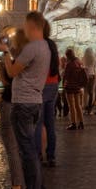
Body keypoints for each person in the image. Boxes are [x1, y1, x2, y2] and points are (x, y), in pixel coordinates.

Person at [4, 11, 51, 189]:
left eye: (25, 26)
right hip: (35, 102)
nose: (24, 29)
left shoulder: (33, 47)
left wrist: (6, 54)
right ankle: (39, 184)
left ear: (32, 26)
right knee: (31, 148)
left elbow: (12, 72)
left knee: (27, 151)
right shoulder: (45, 46)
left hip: (23, 102)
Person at [0, 30, 27, 189]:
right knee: (23, 146)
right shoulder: (29, 57)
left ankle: (17, 184)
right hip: (26, 103)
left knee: (12, 147)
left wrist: (4, 55)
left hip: (11, 103)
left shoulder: (15, 59)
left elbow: (6, 79)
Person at [35, 20, 60, 165]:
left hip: (43, 85)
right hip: (54, 84)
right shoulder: (52, 45)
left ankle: (38, 154)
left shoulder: (40, 45)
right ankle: (51, 156)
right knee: (50, 124)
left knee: (38, 123)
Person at [63, 48, 86, 130]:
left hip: (70, 87)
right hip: (77, 86)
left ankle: (73, 123)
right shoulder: (78, 62)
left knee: (71, 105)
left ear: (67, 56)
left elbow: (66, 76)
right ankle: (81, 123)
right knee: (78, 105)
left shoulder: (69, 64)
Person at [82, 47, 96, 115]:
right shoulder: (93, 58)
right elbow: (94, 68)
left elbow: (83, 67)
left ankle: (84, 108)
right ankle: (90, 109)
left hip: (85, 77)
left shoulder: (83, 58)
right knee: (91, 93)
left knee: (85, 93)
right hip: (92, 76)